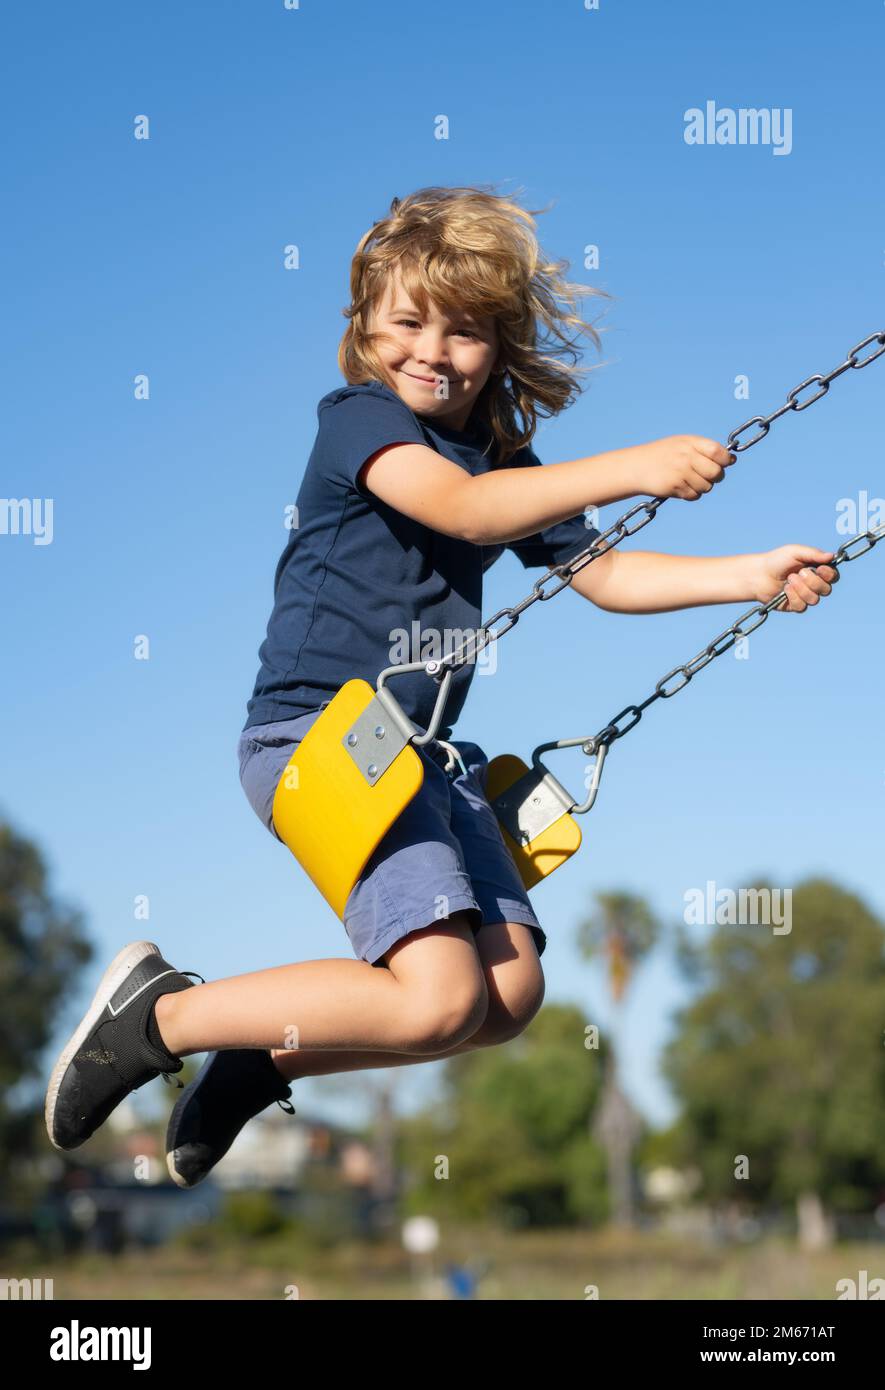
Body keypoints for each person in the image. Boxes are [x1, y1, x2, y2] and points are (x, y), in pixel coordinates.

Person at [45, 185, 838, 1184]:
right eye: (408, 322)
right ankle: (158, 1015)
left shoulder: (503, 457)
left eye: (463, 330)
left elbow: (608, 574)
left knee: (505, 998)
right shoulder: (359, 422)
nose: (432, 347)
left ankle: (266, 1050)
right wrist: (632, 465)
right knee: (432, 997)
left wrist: (751, 576)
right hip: (315, 739)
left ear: (499, 347)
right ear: (365, 331)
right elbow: (461, 510)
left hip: (423, 759)